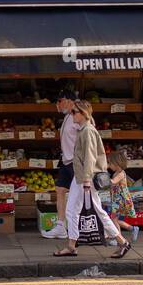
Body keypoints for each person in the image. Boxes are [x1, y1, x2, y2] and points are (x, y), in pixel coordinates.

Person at [53, 101, 129, 260]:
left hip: (85, 178)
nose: (72, 114)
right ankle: (71, 246)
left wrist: (87, 180)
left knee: (97, 211)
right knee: (72, 210)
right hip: (80, 177)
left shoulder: (87, 131)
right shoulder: (84, 130)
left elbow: (89, 157)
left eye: (74, 112)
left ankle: (122, 242)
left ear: (83, 114)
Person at [41, 88, 80, 240]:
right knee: (60, 190)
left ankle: (105, 228)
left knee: (87, 196)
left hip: (76, 162)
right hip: (66, 160)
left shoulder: (78, 114)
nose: (57, 105)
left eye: (59, 101)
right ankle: (60, 226)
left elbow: (87, 134)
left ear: (68, 100)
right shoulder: (67, 116)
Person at [104, 150, 140, 244]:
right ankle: (132, 228)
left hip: (120, 199)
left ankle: (118, 239)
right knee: (114, 219)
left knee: (113, 219)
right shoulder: (116, 172)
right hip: (117, 199)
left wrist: (103, 179)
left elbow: (113, 182)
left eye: (110, 163)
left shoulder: (120, 174)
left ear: (116, 163)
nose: (109, 165)